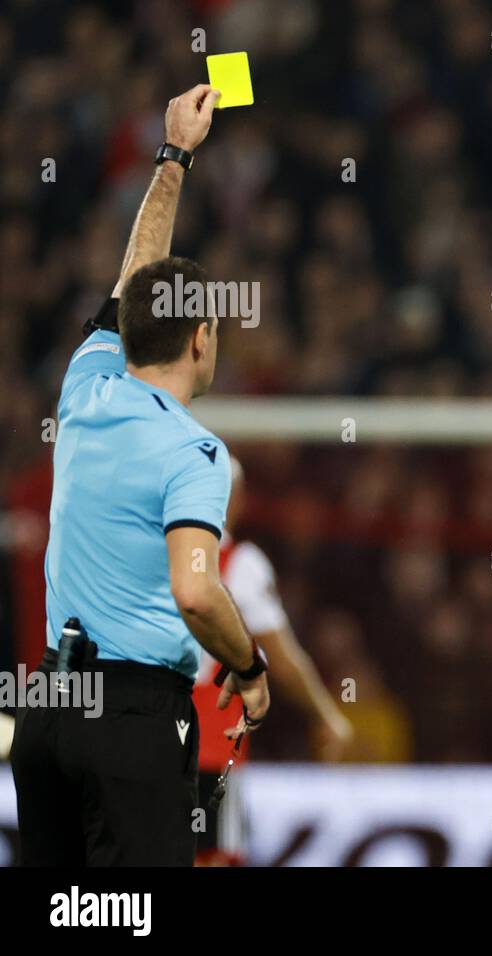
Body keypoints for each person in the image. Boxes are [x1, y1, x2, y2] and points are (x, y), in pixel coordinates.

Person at [9, 85, 270, 866]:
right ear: (200, 339)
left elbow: (134, 276)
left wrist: (174, 157)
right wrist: (250, 666)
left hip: (48, 707)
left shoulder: (86, 386)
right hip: (132, 719)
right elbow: (196, 591)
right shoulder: (195, 454)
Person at [193, 456, 353, 864]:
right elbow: (282, 659)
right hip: (209, 749)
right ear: (237, 501)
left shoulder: (146, 563)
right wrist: (326, 715)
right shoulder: (239, 565)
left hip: (144, 743)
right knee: (211, 858)